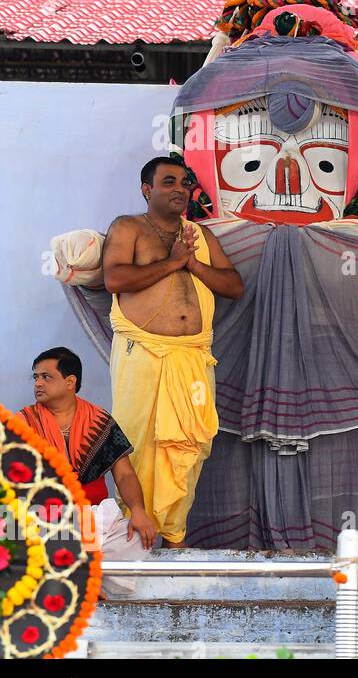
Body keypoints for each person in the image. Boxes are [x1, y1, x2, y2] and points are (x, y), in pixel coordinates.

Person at [101, 156, 243, 548]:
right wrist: (171, 263)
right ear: (147, 190)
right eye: (169, 182)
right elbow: (114, 278)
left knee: (188, 449)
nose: (180, 189)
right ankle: (132, 541)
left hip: (192, 360)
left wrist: (193, 264)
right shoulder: (128, 228)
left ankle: (175, 539)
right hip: (142, 355)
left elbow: (234, 286)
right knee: (136, 447)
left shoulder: (200, 236)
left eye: (185, 182)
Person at [21, 347, 155, 596]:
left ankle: (81, 583)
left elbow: (124, 474)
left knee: (134, 537)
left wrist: (137, 509)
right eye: (35, 377)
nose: (38, 383)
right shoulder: (23, 423)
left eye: (46, 377)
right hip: (45, 517)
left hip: (94, 518)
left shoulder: (100, 420)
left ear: (70, 382)